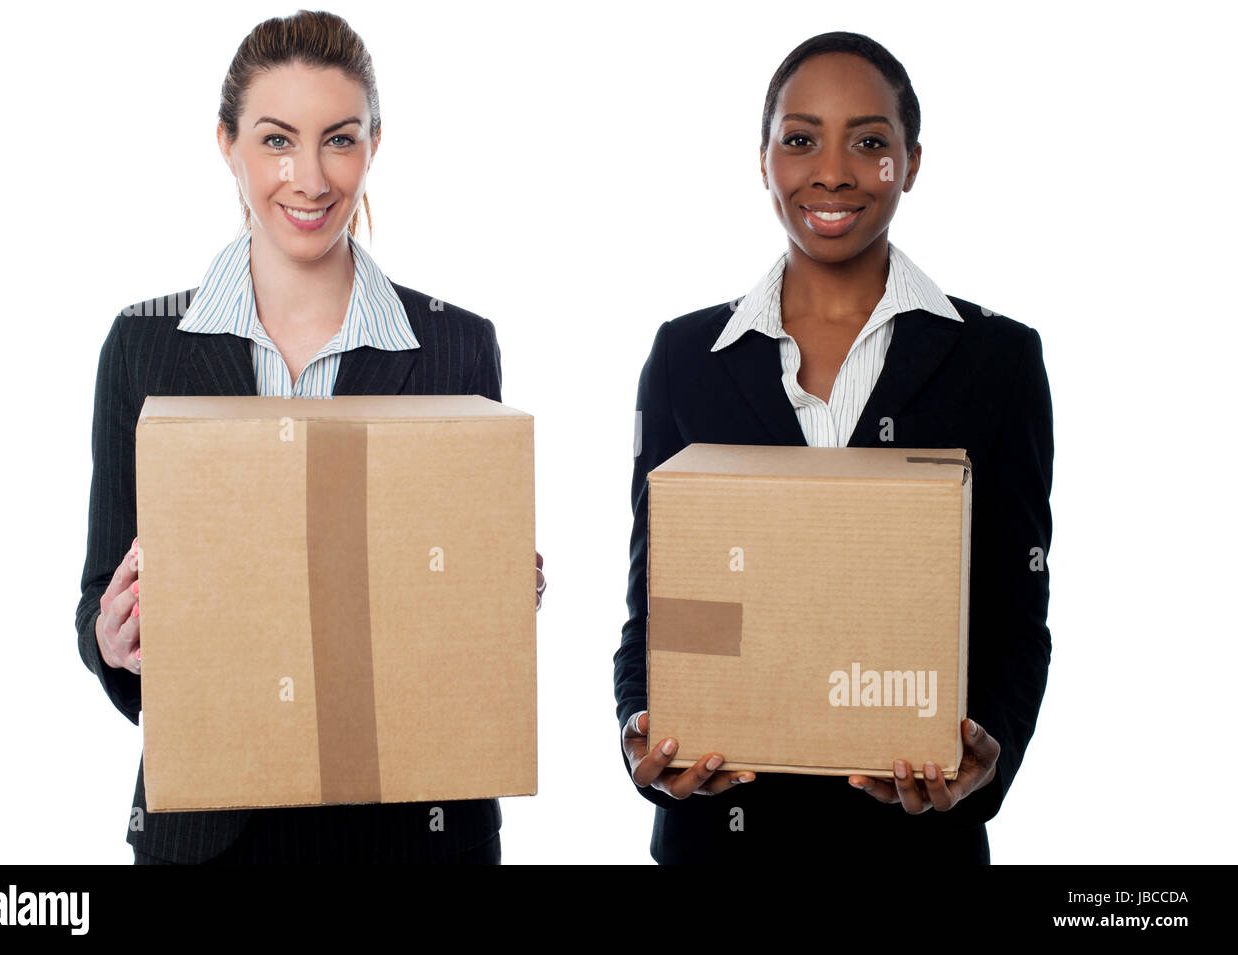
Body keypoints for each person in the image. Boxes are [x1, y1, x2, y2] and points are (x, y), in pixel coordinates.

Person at [76, 10, 545, 865]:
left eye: (339, 139)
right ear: (227, 144)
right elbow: (99, 602)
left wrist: (497, 597)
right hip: (211, 829)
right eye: (276, 140)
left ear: (374, 144)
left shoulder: (453, 345)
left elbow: (452, 614)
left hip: (411, 826)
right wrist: (112, 643)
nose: (309, 177)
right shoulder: (143, 345)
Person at [613, 31, 1053, 864]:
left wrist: (978, 764)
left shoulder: (997, 361)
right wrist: (641, 732)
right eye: (801, 137)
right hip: (720, 837)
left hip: (913, 844)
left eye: (871, 142)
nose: (834, 171)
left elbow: (1013, 614)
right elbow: (658, 607)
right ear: (765, 157)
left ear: (911, 163)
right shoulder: (684, 358)